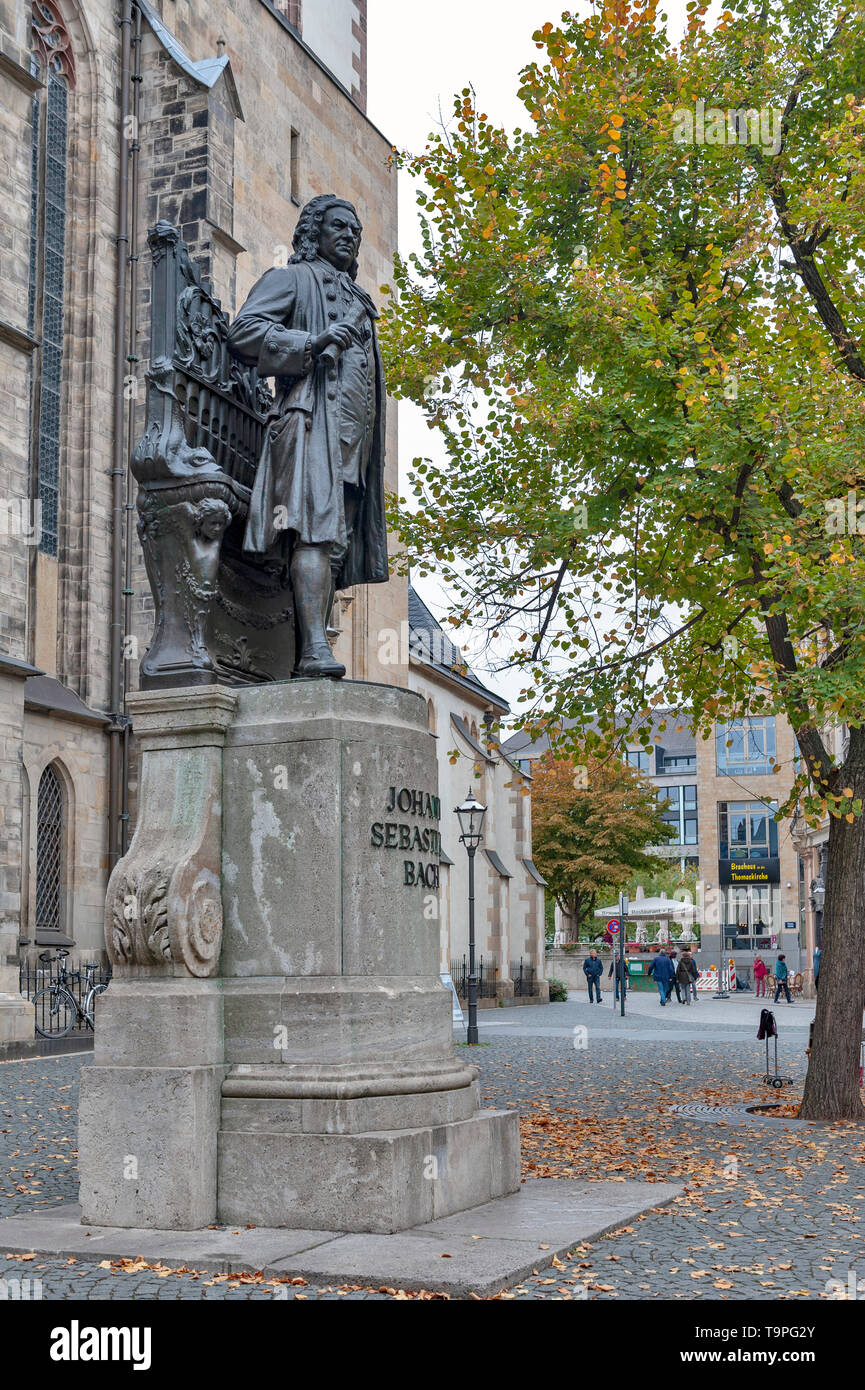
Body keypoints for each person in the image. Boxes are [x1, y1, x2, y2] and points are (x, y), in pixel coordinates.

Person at [228, 194, 389, 678]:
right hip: (310, 420)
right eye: (339, 227)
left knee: (335, 542)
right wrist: (309, 342)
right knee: (316, 532)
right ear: (313, 232)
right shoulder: (291, 278)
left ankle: (312, 646)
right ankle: (315, 650)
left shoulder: (360, 300)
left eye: (356, 232)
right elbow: (244, 333)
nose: (350, 236)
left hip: (353, 439)